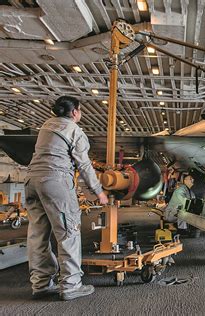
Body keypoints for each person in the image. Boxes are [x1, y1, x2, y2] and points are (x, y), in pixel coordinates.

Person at [25, 96, 108, 300]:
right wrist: (99, 192)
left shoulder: (46, 126)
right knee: (69, 233)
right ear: (74, 112)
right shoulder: (74, 131)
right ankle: (71, 286)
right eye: (80, 110)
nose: (80, 114)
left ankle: (41, 284)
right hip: (55, 182)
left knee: (37, 235)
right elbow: (85, 165)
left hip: (31, 182)